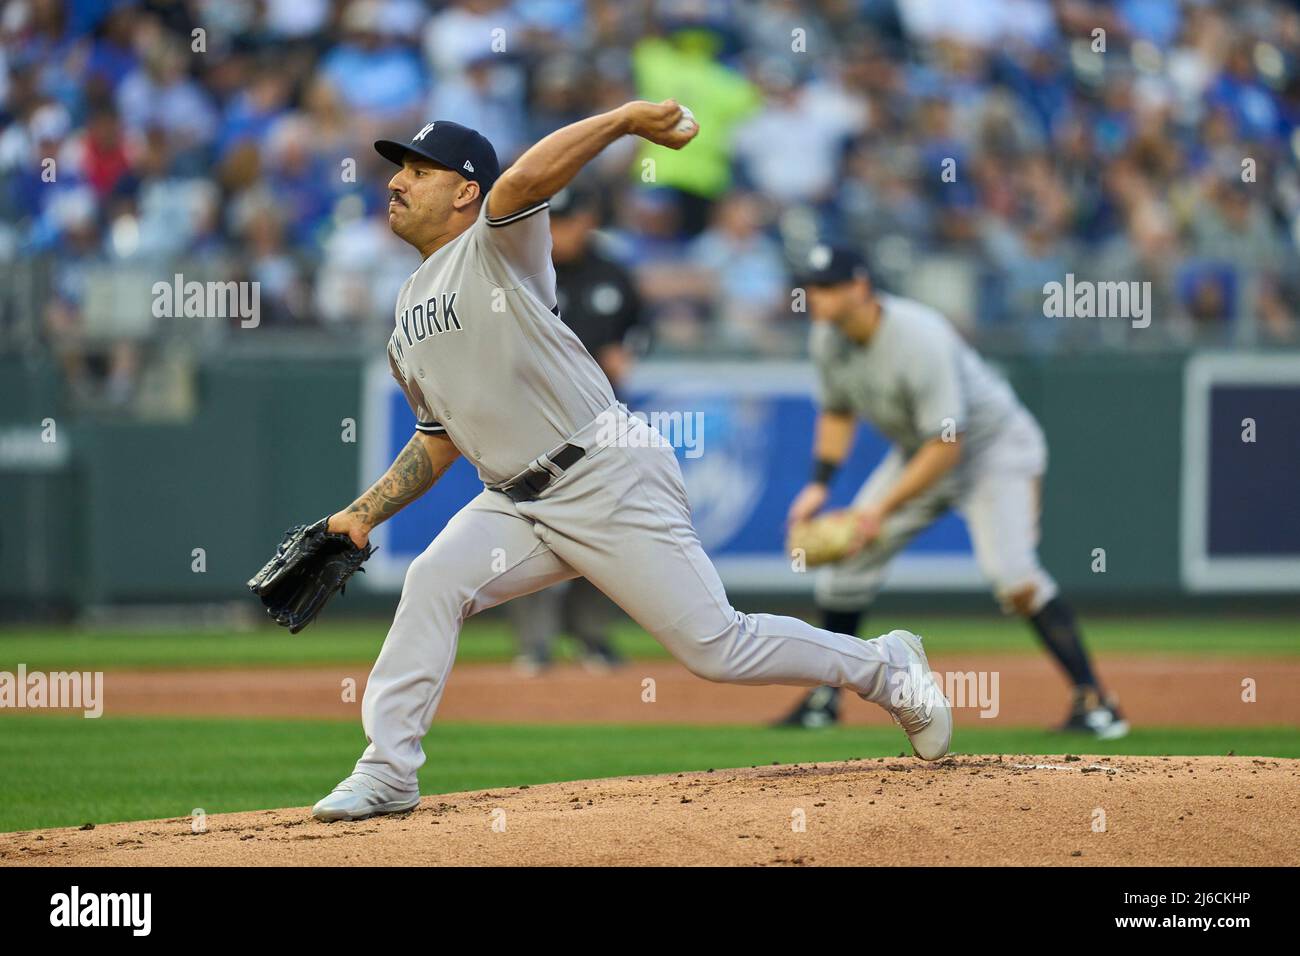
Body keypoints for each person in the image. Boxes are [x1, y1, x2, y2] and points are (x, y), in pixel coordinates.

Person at [308, 104, 951, 823]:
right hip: (516, 501)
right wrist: (361, 516)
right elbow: (438, 437)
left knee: (718, 648)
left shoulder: (498, 247)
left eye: (418, 171)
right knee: (433, 579)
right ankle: (389, 769)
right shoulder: (405, 313)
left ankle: (886, 667)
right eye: (398, 170)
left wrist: (624, 121)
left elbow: (521, 180)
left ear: (465, 190)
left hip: (603, 471)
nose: (398, 182)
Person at [774, 244, 1128, 739]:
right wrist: (819, 485)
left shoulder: (919, 336)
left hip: (991, 451)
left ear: (860, 287)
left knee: (1013, 577)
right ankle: (824, 699)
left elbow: (949, 444)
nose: (816, 298)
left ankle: (1095, 702)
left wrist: (875, 510)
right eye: (811, 288)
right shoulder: (825, 339)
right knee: (846, 567)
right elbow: (836, 412)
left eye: (828, 286)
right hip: (920, 452)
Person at [506, 184, 643, 674]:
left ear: (587, 220)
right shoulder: (524, 269)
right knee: (528, 524)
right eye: (553, 222)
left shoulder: (613, 274)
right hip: (532, 419)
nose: (561, 232)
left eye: (568, 221)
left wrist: (627, 353)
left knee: (600, 526)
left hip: (597, 422)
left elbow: (634, 333)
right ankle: (535, 642)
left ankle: (590, 636)